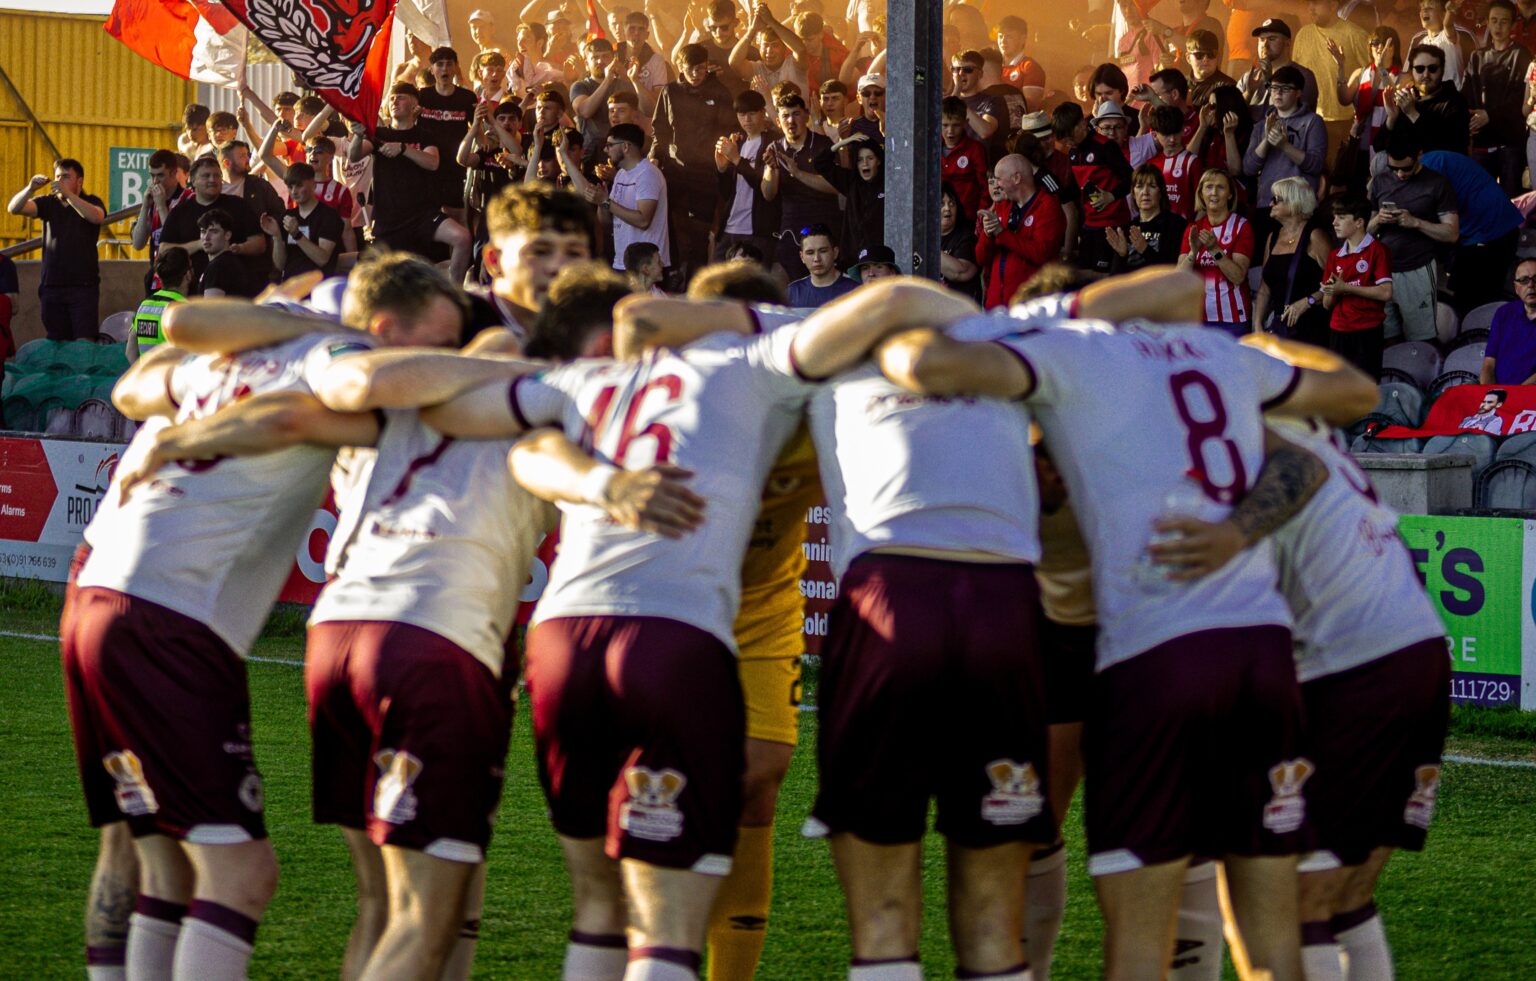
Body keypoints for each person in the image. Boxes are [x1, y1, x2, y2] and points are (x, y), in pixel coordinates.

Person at [871, 299, 1377, 981]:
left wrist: (898, 335)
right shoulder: (1215, 356)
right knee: (1265, 933)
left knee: (1128, 926)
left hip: (1147, 653)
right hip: (1254, 648)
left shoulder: (1077, 370)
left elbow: (934, 367)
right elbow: (1327, 430)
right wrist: (1234, 530)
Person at [62, 252, 463, 981]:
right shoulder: (342, 353)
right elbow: (335, 395)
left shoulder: (240, 350)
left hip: (100, 592)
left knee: (163, 865)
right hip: (170, 616)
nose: (434, 358)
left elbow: (138, 384)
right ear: (380, 325)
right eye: (433, 340)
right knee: (241, 875)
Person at [348, 82, 473, 285]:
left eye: (401, 96)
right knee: (390, 278)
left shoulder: (425, 135)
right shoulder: (379, 134)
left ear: (415, 105)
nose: (395, 100)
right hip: (390, 220)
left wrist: (404, 148)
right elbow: (354, 156)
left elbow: (433, 163)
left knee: (462, 238)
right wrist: (358, 135)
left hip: (423, 215)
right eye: (392, 98)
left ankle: (456, 293)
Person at [652, 43, 738, 283]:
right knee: (671, 226)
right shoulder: (669, 91)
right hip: (674, 169)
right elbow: (660, 128)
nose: (696, 74)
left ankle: (695, 282)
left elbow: (729, 128)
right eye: (691, 69)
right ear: (680, 66)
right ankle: (669, 275)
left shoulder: (719, 92)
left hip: (706, 172)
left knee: (700, 231)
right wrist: (656, 155)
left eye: (700, 69)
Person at [1368, 128, 1459, 342]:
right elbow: (1365, 233)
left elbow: (1452, 233)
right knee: (1388, 338)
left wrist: (1416, 222)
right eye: (1394, 168)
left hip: (1418, 266)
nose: (1400, 174)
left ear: (1419, 155)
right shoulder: (1380, 181)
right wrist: (1378, 220)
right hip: (1384, 270)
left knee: (1421, 338)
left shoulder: (1437, 184)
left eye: (1406, 169)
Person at [7, 158, 105, 341]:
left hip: (83, 288)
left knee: (84, 341)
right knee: (55, 342)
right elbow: (14, 208)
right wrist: (30, 188)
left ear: (79, 181)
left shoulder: (91, 201)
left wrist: (69, 195)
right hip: (52, 287)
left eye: (66, 177)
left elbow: (96, 217)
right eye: (57, 176)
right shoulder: (48, 203)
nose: (59, 181)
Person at [1421, 149, 1524, 316]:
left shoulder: (1432, 167)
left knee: (1475, 304)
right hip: (1484, 234)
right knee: (1466, 297)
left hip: (1492, 235)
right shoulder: (1434, 161)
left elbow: (1447, 231)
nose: (1399, 175)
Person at [762, 93, 838, 281]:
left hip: (822, 225)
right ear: (778, 121)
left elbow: (836, 186)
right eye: (785, 116)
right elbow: (768, 194)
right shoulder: (774, 147)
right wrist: (772, 169)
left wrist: (798, 173)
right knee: (783, 280)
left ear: (806, 116)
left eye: (796, 114)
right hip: (790, 228)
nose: (791, 120)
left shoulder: (822, 145)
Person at [1243, 64, 1329, 228]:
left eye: (1285, 88)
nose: (1278, 93)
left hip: (1299, 206)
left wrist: (1284, 146)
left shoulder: (1312, 121)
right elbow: (1248, 168)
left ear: (1298, 93)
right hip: (1268, 204)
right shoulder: (1261, 125)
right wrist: (1267, 141)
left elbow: (1316, 165)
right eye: (1274, 88)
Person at [975, 154, 1067, 309]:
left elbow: (1042, 253)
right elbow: (981, 258)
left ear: (1016, 178)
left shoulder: (1048, 206)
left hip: (1030, 307)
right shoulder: (1001, 206)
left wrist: (1002, 233)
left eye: (999, 179)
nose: (996, 185)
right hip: (997, 305)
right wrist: (988, 233)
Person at [158, 155, 264, 285]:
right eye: (206, 176)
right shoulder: (180, 212)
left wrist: (240, 248)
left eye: (217, 176)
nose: (212, 180)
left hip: (235, 286)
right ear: (193, 180)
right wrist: (199, 244)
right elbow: (164, 250)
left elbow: (260, 243)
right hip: (193, 289)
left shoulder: (239, 206)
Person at [1252, 176, 1334, 345]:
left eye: (1276, 200)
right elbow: (1265, 288)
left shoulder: (1315, 236)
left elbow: (1337, 283)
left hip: (1312, 329)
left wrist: (1309, 301)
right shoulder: (1273, 238)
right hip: (1281, 329)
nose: (1270, 204)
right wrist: (1258, 324)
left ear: (1294, 202)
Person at [1461, 0, 1532, 194]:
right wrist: (1470, 117)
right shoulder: (1477, 56)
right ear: (1487, 23)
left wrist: (1490, 115)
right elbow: (1466, 93)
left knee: (1510, 200)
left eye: (1503, 21)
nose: (1498, 26)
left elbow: (1521, 99)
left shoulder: (1522, 55)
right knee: (1481, 199)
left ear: (1513, 25)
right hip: (1481, 142)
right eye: (1494, 21)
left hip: (1510, 143)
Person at [1321, 194, 1394, 376]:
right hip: (1338, 330)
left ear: (1359, 222)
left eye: (1341, 217)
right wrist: (1332, 291)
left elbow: (1386, 293)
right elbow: (1326, 304)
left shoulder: (1377, 250)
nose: (1334, 223)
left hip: (1367, 330)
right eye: (1334, 217)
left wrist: (1346, 288)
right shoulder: (1334, 255)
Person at [1055, 102, 1132, 274]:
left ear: (1082, 124)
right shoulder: (1073, 153)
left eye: (1070, 137)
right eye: (1064, 141)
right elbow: (1076, 187)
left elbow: (1131, 178)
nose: (1068, 143)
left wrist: (1111, 196)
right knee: (1084, 274)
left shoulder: (1105, 146)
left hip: (1113, 223)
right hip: (1089, 223)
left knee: (1103, 278)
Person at [1177, 168, 1255, 334]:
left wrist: (1215, 250)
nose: (1214, 192)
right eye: (1209, 187)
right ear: (1201, 194)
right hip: (1199, 319)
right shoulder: (1193, 228)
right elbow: (1179, 278)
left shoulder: (1241, 226)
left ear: (1230, 194)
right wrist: (1193, 252)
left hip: (1233, 319)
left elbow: (1238, 276)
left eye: (1220, 187)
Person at [585, 122, 668, 272]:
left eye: (610, 145)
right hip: (622, 262)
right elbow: (607, 222)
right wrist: (600, 201)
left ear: (625, 147)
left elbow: (643, 221)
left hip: (647, 268)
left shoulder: (648, 174)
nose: (605, 149)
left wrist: (606, 201)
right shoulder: (621, 175)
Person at [1294, 0, 1374, 154]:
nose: (1311, 8)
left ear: (1333, 5)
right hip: (1307, 119)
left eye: (1316, 3)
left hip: (1344, 122)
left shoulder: (1356, 35)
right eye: (1309, 3)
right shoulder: (1303, 35)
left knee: (1339, 172)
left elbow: (1372, 75)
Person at [1330, 26, 1403, 191]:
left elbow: (1394, 97)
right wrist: (1341, 68)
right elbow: (1344, 99)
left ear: (1395, 48)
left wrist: (1382, 68)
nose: (1379, 47)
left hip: (1387, 145)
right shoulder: (1360, 73)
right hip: (1359, 145)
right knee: (1356, 193)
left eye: (1385, 43)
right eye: (1375, 43)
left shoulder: (1404, 77)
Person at [713, 90, 781, 266]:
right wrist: (722, 169)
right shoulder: (738, 142)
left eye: (752, 114)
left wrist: (736, 160)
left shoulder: (773, 143)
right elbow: (728, 192)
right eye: (742, 115)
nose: (747, 120)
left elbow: (765, 186)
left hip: (758, 231)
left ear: (762, 113)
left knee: (754, 285)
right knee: (717, 284)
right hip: (731, 226)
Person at [417, 46, 479, 221]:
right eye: (440, 64)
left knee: (456, 219)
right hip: (427, 167)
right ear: (432, 69)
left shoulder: (467, 98)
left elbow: (477, 131)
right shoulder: (422, 96)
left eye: (449, 64)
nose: (444, 69)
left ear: (455, 67)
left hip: (455, 168)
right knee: (427, 218)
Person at [1380, 44, 1471, 154]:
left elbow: (1450, 149)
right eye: (1419, 69)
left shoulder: (1455, 101)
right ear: (1411, 71)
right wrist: (1392, 118)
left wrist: (1413, 114)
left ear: (1442, 70)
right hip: (1405, 170)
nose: (1426, 74)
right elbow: (1379, 147)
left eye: (1432, 69)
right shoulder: (1406, 98)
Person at [261, 163, 344, 280]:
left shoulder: (328, 216)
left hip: (318, 286)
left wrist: (297, 235)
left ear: (313, 185)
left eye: (299, 186)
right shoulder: (287, 217)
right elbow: (279, 265)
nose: (294, 191)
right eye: (290, 187)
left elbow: (323, 259)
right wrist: (277, 237)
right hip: (291, 286)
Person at [1107, 164, 1189, 272]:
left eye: (1152, 186)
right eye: (1139, 186)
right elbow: (1115, 279)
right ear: (1133, 194)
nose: (1145, 192)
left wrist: (1145, 250)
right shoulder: (1127, 229)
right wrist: (1122, 256)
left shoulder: (1176, 224)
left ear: (1161, 192)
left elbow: (1173, 271)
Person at [815, 136, 884, 261]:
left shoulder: (888, 184)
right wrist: (844, 142)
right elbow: (820, 163)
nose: (865, 163)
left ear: (878, 161)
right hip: (852, 259)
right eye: (860, 159)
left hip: (880, 259)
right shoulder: (851, 181)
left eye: (870, 158)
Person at [571, 36, 637, 161]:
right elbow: (585, 111)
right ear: (586, 63)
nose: (600, 61)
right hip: (592, 153)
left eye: (605, 56)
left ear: (614, 59)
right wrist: (607, 80)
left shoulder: (624, 85)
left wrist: (630, 79)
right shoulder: (580, 86)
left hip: (623, 150)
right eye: (595, 57)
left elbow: (640, 113)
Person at [1240, 19, 1322, 115]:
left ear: (1287, 43)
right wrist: (1248, 94)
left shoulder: (1304, 77)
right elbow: (1232, 114)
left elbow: (1296, 118)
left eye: (1272, 39)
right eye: (1261, 40)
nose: (1265, 45)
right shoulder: (1249, 78)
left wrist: (1270, 83)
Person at [730, 2, 810, 101]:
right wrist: (752, 30)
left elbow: (800, 50)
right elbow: (734, 62)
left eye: (775, 46)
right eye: (765, 45)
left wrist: (771, 21)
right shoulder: (756, 69)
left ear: (785, 47)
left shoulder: (794, 65)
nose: (769, 51)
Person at [128, 247, 193, 364]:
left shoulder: (144, 307)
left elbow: (130, 351)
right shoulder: (185, 309)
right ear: (188, 275)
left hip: (147, 378)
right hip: (172, 379)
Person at [1481, 257, 1536, 384]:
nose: (1531, 285)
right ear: (1516, 288)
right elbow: (1489, 364)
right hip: (1499, 396)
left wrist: (1514, 397)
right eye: (1523, 280)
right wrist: (1489, 394)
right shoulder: (1504, 313)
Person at [1148, 105, 1206, 219]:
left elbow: (1203, 203)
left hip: (1184, 231)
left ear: (1183, 129)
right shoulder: (1151, 164)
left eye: (1176, 132)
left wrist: (1192, 229)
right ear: (1154, 135)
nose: (1172, 139)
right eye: (1166, 134)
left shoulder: (1192, 162)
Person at [941, 96, 991, 220]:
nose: (950, 131)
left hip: (967, 220)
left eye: (956, 125)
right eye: (945, 125)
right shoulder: (930, 150)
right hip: (938, 220)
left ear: (965, 123)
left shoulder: (975, 149)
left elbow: (985, 187)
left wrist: (980, 216)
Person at [785, 224, 858, 306]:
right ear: (802, 257)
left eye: (823, 251)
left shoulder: (856, 290)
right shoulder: (793, 292)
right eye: (810, 253)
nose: (817, 258)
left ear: (835, 253)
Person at [195, 209, 255, 298]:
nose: (206, 237)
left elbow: (212, 309)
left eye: (214, 231)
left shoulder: (218, 267)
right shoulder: (229, 263)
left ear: (227, 235)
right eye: (203, 231)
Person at [940, 182, 983, 302]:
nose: (947, 208)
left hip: (961, 313)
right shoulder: (924, 236)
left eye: (952, 203)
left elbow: (961, 272)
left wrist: (926, 247)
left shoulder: (966, 237)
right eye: (941, 204)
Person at [997, 15, 1046, 101]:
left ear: (1023, 39)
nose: (1003, 41)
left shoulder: (1030, 67)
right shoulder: (993, 66)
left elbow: (1031, 107)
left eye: (1009, 36)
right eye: (1000, 36)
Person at [1187, 29, 1237, 106]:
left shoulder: (1228, 87)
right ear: (1188, 58)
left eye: (1211, 54)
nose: (1205, 59)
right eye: (1199, 55)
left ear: (1218, 56)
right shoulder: (1180, 86)